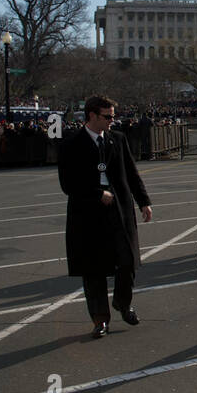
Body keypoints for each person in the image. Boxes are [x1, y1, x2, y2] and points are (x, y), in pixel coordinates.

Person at [58, 95, 153, 339]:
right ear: (91, 116)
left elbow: (131, 173)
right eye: (107, 116)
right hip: (88, 215)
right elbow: (68, 184)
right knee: (94, 270)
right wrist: (97, 193)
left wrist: (144, 202)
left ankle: (122, 302)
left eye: (113, 115)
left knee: (128, 261)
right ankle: (100, 319)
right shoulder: (71, 144)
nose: (113, 120)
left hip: (119, 210)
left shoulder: (117, 140)